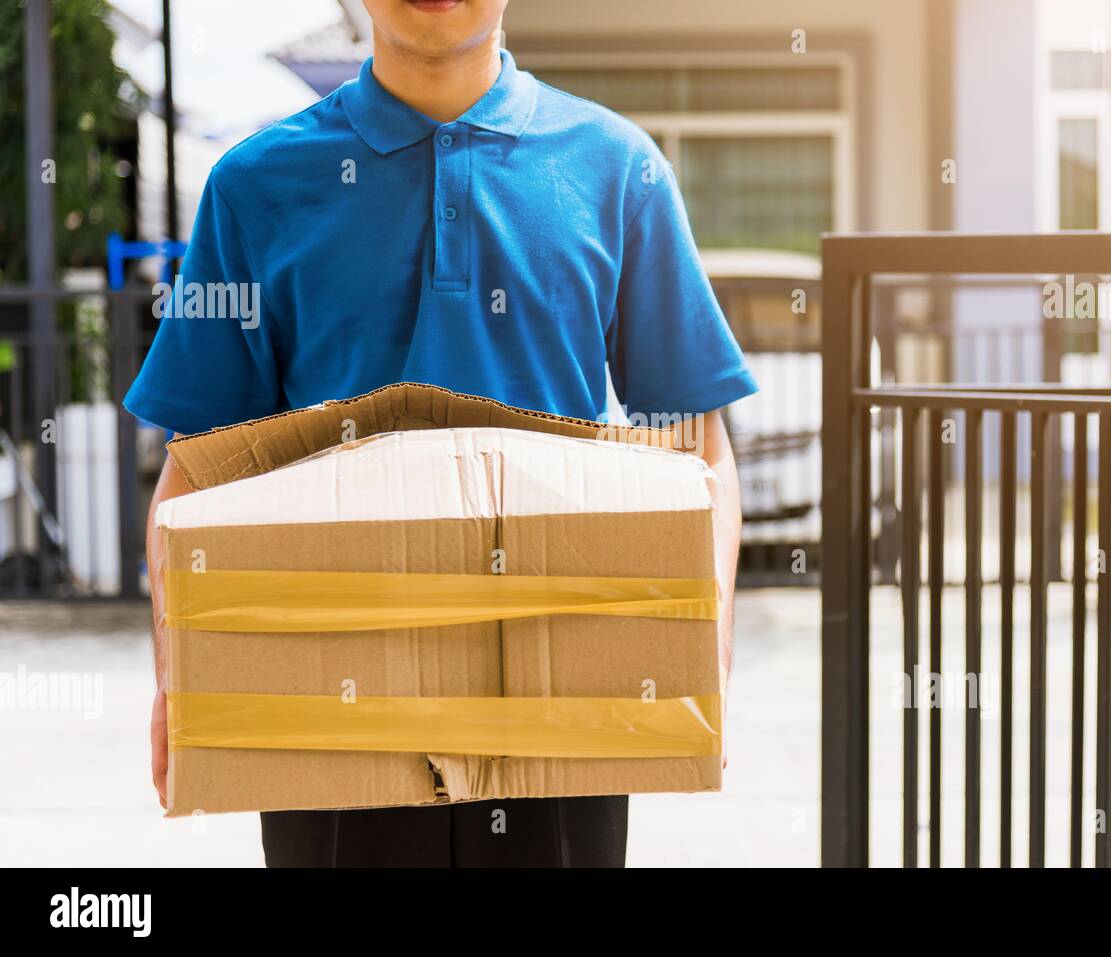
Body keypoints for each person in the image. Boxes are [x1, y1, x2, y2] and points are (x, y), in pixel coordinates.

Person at [126, 0, 756, 867]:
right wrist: (178, 667)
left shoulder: (616, 169)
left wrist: (704, 643)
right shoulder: (256, 185)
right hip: (327, 717)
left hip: (564, 712)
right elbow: (198, 473)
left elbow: (699, 450)